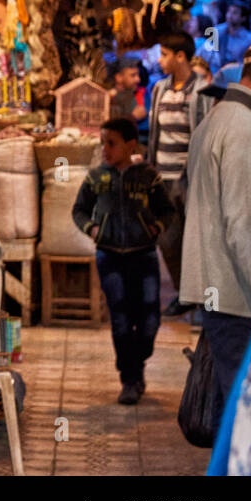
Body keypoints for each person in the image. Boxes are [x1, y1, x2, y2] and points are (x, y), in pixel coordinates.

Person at [180, 39, 251, 433]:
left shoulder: (215, 121)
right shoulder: (245, 128)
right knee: (248, 417)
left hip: (222, 290)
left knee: (239, 410)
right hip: (241, 296)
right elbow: (245, 220)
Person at [72, 117, 177, 405]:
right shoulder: (96, 178)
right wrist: (92, 228)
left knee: (150, 321)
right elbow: (79, 210)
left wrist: (156, 228)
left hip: (143, 257)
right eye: (103, 143)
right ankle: (129, 379)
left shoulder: (148, 177)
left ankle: (137, 362)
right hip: (109, 257)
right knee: (120, 321)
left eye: (112, 143)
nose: (105, 149)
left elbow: (167, 211)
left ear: (130, 144)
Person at [147, 31, 215, 317]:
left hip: (190, 181)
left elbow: (205, 136)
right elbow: (154, 134)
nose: (160, 60)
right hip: (162, 179)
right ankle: (183, 293)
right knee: (168, 241)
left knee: (195, 241)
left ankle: (201, 301)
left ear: (180, 57)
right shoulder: (159, 89)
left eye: (164, 54)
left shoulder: (202, 91)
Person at [202, 0, 251, 70]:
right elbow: (207, 51)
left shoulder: (249, 40)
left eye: (235, 13)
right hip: (216, 73)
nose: (230, 15)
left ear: (243, 18)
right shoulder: (218, 31)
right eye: (229, 11)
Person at [108, 56, 147, 125]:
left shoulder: (141, 94)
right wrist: (132, 117)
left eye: (138, 75)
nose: (138, 79)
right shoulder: (109, 99)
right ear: (119, 77)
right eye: (133, 75)